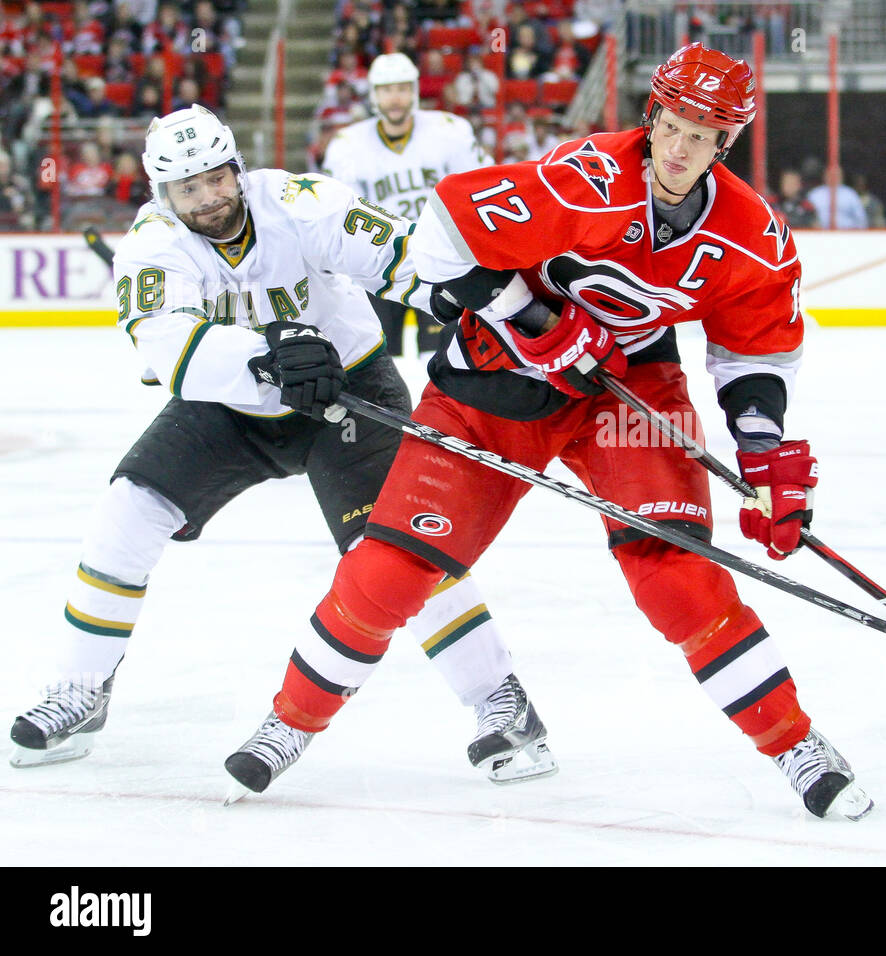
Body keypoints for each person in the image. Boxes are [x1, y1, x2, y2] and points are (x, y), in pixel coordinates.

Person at [224, 44, 874, 821]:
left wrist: (765, 456)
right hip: (498, 375)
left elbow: (756, 350)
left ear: (726, 144)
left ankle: (795, 744)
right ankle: (287, 723)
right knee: (391, 570)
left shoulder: (750, 234)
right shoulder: (585, 178)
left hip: (625, 387)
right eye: (672, 125)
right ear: (653, 116)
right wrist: (534, 319)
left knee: (678, 576)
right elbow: (438, 237)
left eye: (702, 136)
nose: (678, 148)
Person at [9, 106, 556, 788]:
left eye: (216, 178)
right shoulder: (151, 246)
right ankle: (82, 690)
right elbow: (167, 345)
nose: (207, 198)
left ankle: (502, 704)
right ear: (162, 195)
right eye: (187, 189)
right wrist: (267, 350)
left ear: (237, 168)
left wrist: (472, 304)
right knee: (130, 506)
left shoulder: (299, 202)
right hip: (236, 404)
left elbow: (397, 256)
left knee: (397, 550)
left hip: (349, 390)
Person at [323, 52, 491, 356]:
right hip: (380, 265)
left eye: (401, 88)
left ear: (414, 90)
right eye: (386, 90)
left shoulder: (450, 130)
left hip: (443, 262)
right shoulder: (347, 145)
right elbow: (339, 219)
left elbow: (480, 191)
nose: (395, 98)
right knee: (382, 358)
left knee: (446, 357)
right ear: (374, 94)